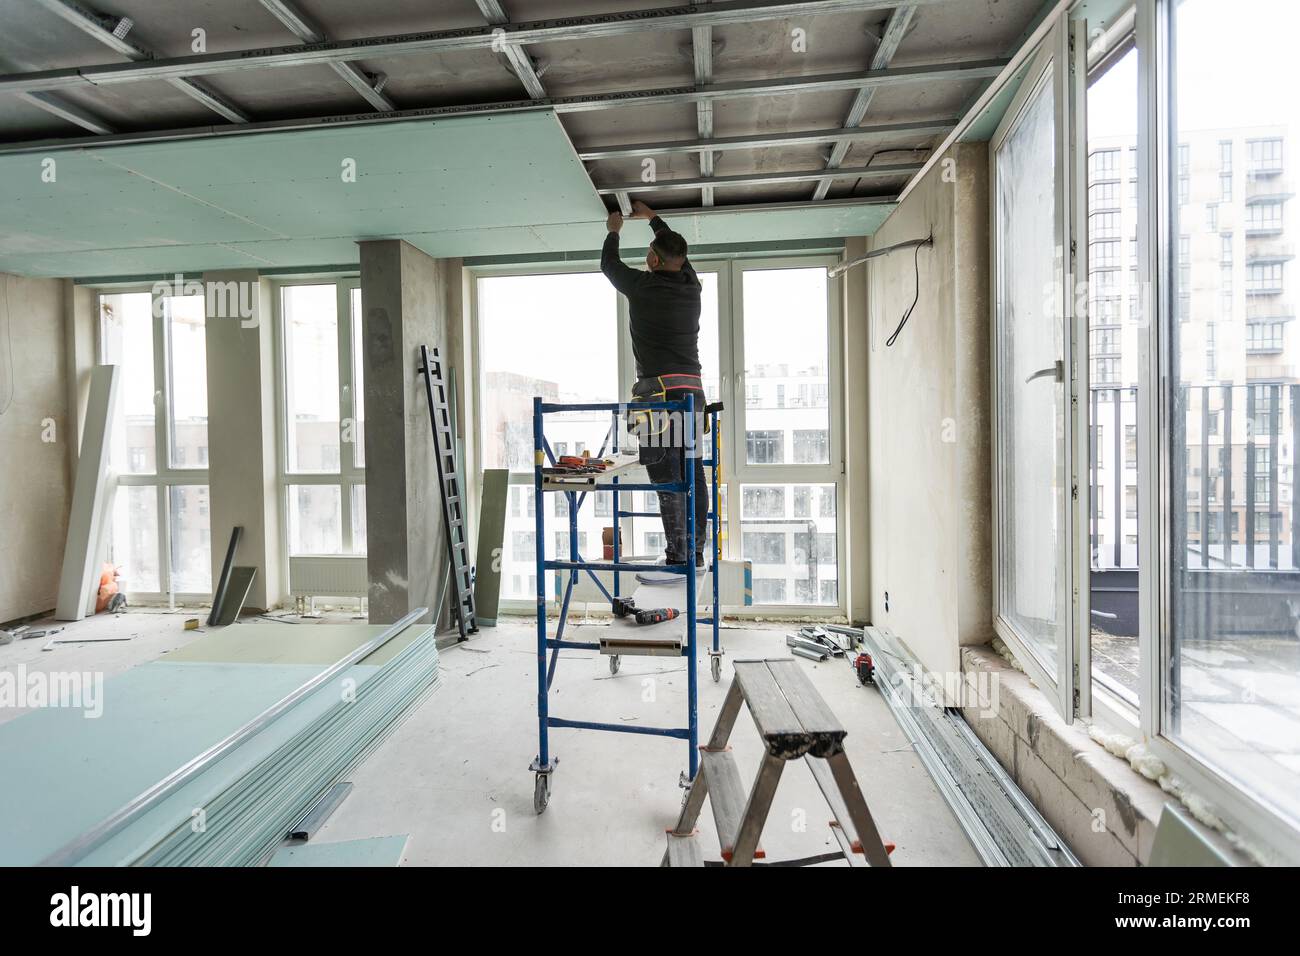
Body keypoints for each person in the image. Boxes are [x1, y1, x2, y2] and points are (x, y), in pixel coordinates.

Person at [600, 199, 708, 584]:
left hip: (660, 397)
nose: (647, 256)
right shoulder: (691, 285)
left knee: (667, 476)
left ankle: (678, 557)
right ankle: (692, 551)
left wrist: (614, 230)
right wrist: (653, 221)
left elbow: (609, 265)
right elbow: (674, 248)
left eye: (650, 253)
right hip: (692, 396)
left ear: (655, 262)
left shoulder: (643, 287)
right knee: (692, 472)